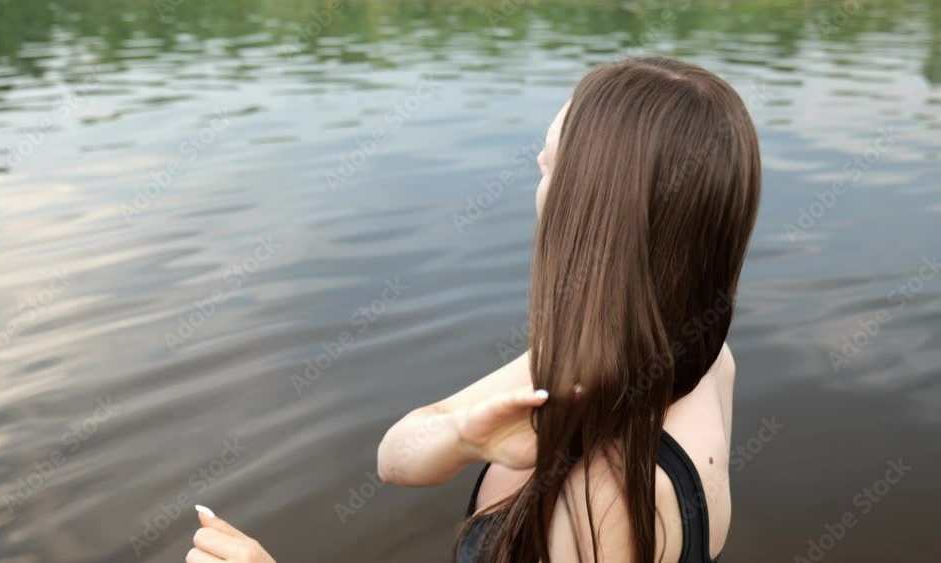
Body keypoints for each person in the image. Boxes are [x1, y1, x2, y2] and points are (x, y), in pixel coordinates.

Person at [187, 56, 760, 563]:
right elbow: (393, 457)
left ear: (592, 214)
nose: (539, 174)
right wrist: (463, 437)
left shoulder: (602, 508)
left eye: (552, 166)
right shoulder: (690, 360)